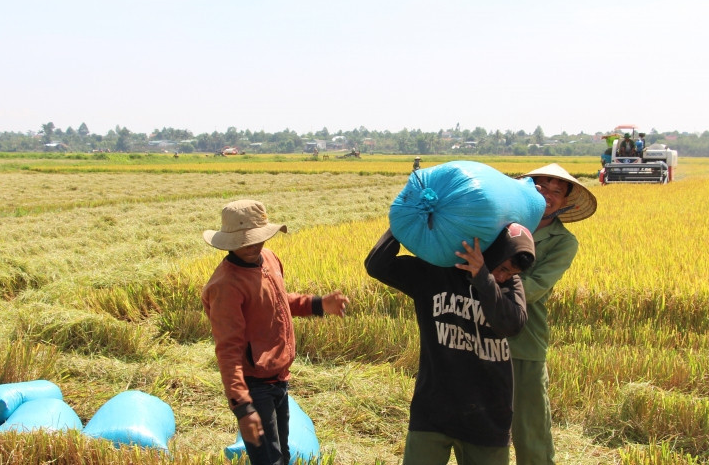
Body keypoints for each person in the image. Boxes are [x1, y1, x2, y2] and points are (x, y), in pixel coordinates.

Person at [365, 223, 535, 465]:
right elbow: (377, 265)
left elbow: (512, 324)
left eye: (511, 273)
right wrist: (406, 221)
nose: (503, 276)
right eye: (502, 268)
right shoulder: (437, 272)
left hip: (488, 413)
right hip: (434, 406)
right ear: (490, 251)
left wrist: (484, 278)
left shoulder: (507, 286)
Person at [201, 199, 349, 465]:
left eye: (257, 238)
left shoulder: (268, 259)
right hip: (254, 385)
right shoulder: (226, 287)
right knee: (270, 461)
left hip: (279, 378)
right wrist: (243, 407)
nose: (252, 246)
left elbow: (279, 302)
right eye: (243, 241)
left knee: (282, 454)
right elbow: (228, 351)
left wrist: (318, 304)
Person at [509, 164, 597, 465]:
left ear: (565, 202)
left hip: (524, 339)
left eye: (557, 191)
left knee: (530, 425)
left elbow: (534, 288)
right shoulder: (501, 224)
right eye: (541, 187)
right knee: (476, 419)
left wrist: (484, 279)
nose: (547, 194)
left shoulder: (563, 242)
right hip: (476, 334)